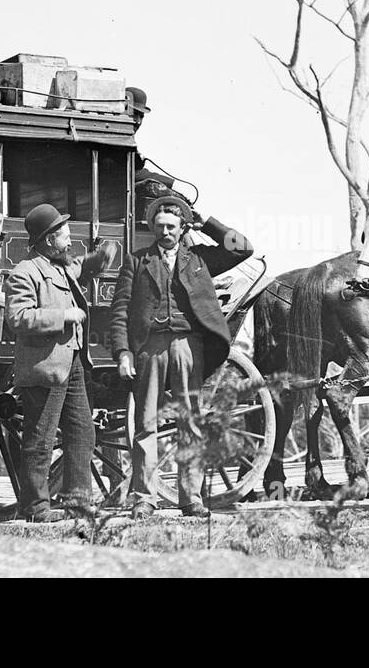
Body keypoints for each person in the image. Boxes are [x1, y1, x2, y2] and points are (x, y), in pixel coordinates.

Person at [110, 199, 253, 518]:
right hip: (150, 348)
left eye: (171, 227)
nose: (165, 233)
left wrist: (209, 223)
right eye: (159, 227)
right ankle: (145, 498)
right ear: (152, 228)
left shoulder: (200, 259)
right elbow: (119, 310)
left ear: (183, 228)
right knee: (146, 424)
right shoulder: (135, 262)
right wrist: (123, 352)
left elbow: (243, 248)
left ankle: (191, 498)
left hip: (189, 346)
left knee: (191, 422)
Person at [5, 203, 115, 522]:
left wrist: (101, 258)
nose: (71, 241)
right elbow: (18, 317)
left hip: (74, 362)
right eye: (66, 235)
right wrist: (62, 316)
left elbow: (80, 266)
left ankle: (77, 502)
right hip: (45, 367)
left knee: (83, 432)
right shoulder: (24, 273)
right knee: (40, 440)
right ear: (50, 239)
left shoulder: (61, 266)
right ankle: (36, 508)